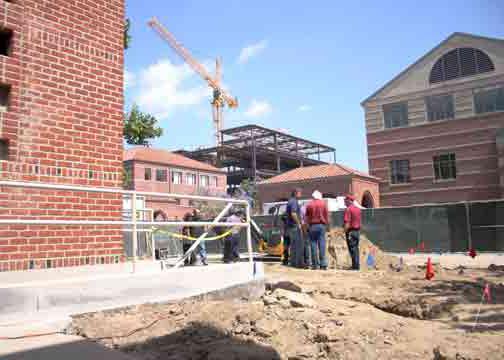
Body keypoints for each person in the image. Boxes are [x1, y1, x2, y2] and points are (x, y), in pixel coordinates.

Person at [305, 190, 329, 270]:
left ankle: (315, 265)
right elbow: (326, 215)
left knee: (313, 244)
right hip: (321, 226)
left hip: (312, 226)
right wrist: (327, 225)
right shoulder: (323, 204)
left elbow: (306, 218)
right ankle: (323, 264)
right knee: (322, 244)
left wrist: (307, 227)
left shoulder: (309, 205)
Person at [286, 188, 304, 268]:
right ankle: (298, 263)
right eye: (300, 193)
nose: (301, 194)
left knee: (293, 245)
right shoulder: (293, 202)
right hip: (294, 226)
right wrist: (298, 223)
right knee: (298, 245)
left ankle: (293, 263)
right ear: (296, 193)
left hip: (290, 226)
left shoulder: (290, 201)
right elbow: (293, 213)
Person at [344, 194, 361, 270]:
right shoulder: (358, 209)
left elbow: (347, 223)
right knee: (356, 248)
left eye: (345, 200)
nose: (344, 202)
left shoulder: (348, 209)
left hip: (351, 232)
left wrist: (344, 231)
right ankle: (356, 265)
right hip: (357, 231)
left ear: (349, 200)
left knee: (352, 249)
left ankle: (355, 266)